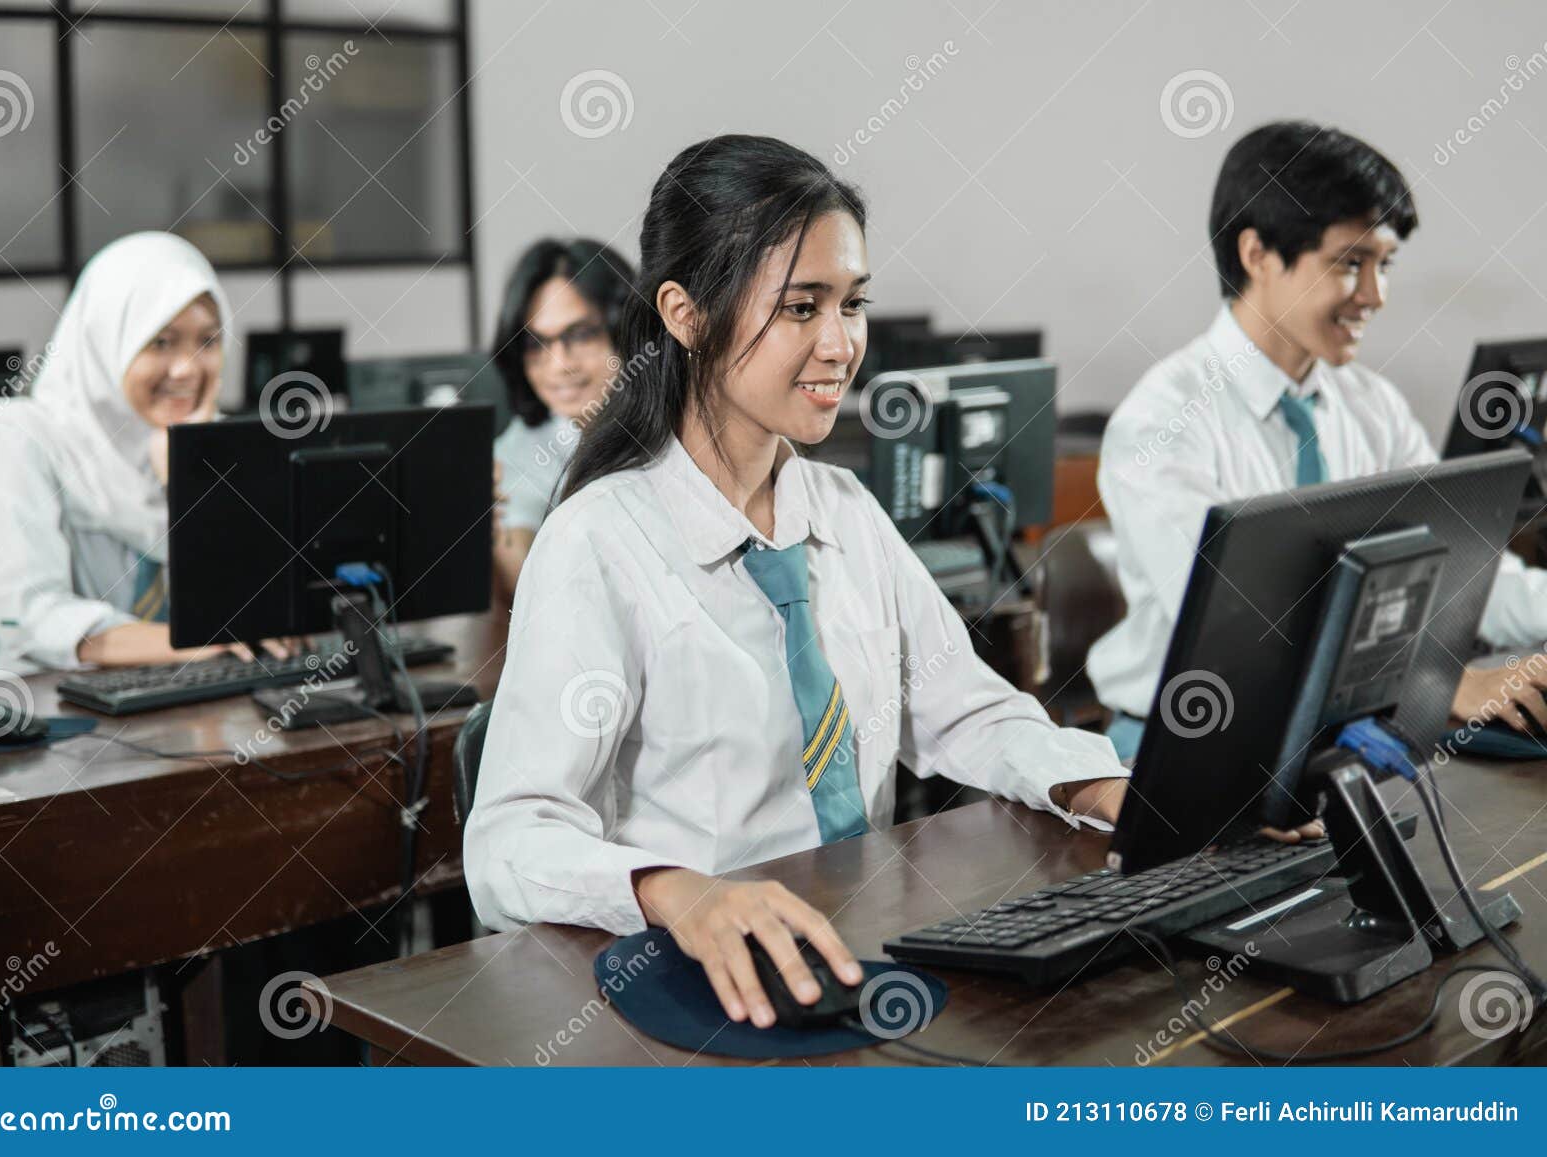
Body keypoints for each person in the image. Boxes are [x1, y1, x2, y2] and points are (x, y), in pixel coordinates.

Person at [465, 135, 1144, 1031]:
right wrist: (681, 894)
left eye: (852, 303)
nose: (841, 344)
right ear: (685, 313)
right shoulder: (596, 542)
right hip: (697, 988)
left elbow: (969, 711)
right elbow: (506, 842)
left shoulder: (845, 511)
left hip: (857, 951)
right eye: (801, 307)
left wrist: (1104, 787)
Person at [1089, 121, 1547, 761]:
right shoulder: (1162, 423)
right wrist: (1437, 683)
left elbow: (1460, 573)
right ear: (1257, 256)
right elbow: (1244, 633)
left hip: (1342, 737)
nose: (1375, 295)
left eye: (1384, 265)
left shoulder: (1371, 405)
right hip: (1194, 749)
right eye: (1349, 264)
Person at [0, 231, 292, 676]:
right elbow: (32, 620)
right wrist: (196, 642)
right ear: (105, 340)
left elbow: (245, 601)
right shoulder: (19, 446)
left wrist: (185, 478)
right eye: (161, 342)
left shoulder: (216, 441)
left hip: (176, 703)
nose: (187, 369)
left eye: (207, 342)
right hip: (35, 718)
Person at [490, 238, 634, 602]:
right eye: (537, 344)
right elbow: (524, 579)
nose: (559, 365)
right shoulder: (526, 443)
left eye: (582, 335)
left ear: (627, 332)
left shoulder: (683, 428)